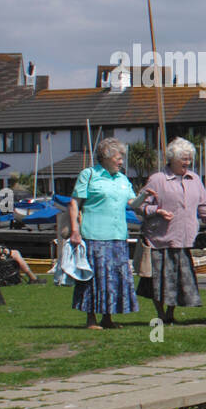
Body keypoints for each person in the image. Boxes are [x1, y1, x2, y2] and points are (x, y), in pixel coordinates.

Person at [133, 137, 206, 323]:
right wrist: (157, 211)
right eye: (183, 158)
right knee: (159, 284)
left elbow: (205, 208)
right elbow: (139, 207)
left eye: (189, 158)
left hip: (184, 240)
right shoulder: (157, 179)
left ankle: (171, 314)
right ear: (172, 158)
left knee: (178, 282)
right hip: (160, 240)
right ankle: (161, 315)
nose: (187, 162)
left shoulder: (194, 180)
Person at [68, 137, 143, 329]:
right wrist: (75, 231)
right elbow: (75, 203)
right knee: (93, 279)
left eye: (122, 158)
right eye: (118, 158)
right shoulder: (89, 175)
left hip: (118, 235)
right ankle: (91, 318)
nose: (121, 162)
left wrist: (147, 195)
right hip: (93, 234)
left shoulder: (122, 178)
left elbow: (132, 204)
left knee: (114, 279)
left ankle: (108, 317)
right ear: (106, 157)